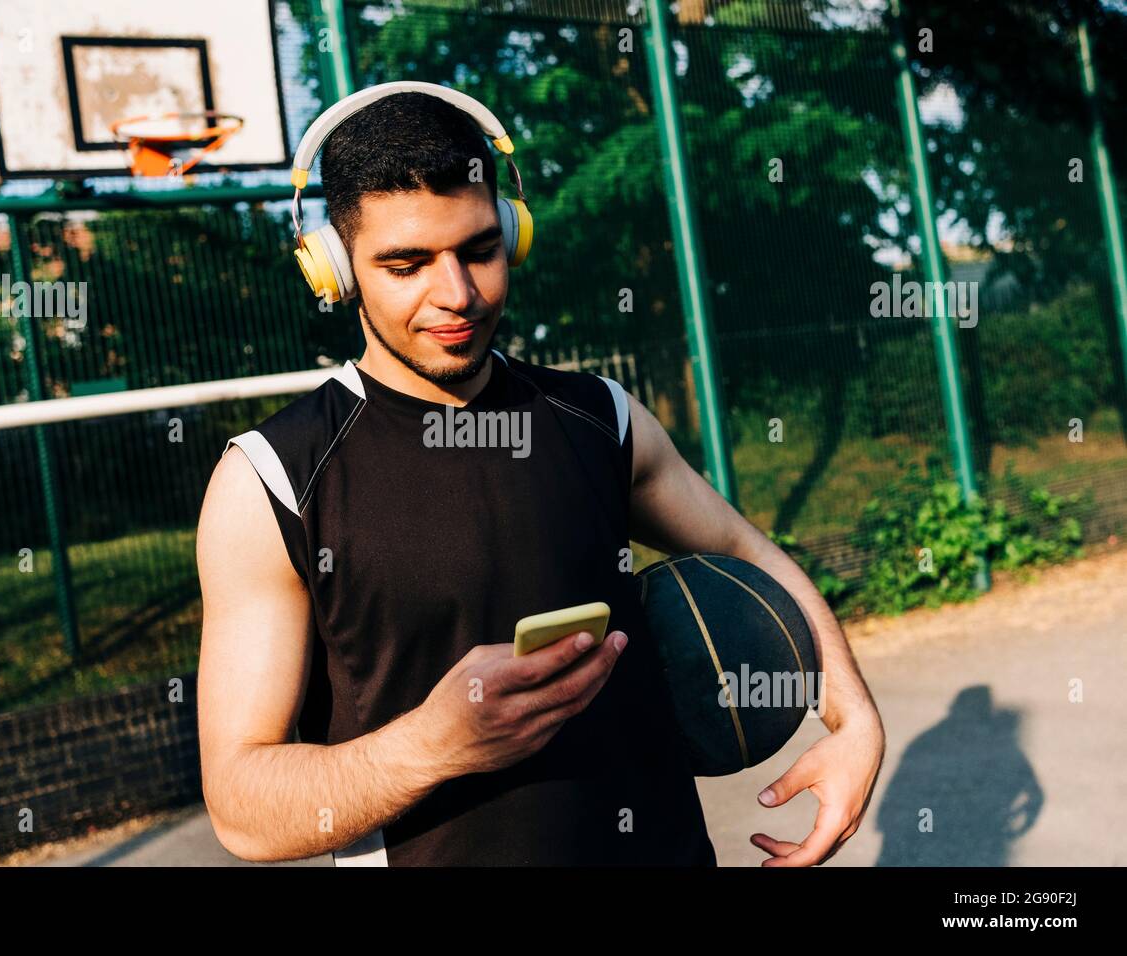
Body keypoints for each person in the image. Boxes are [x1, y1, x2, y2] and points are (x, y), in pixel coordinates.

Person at [196, 88, 885, 866]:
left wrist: (851, 717)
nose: (457, 294)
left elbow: (746, 552)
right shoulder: (273, 481)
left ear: (514, 235)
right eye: (407, 264)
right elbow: (244, 808)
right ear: (335, 269)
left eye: (479, 250)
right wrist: (434, 744)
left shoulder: (600, 418)